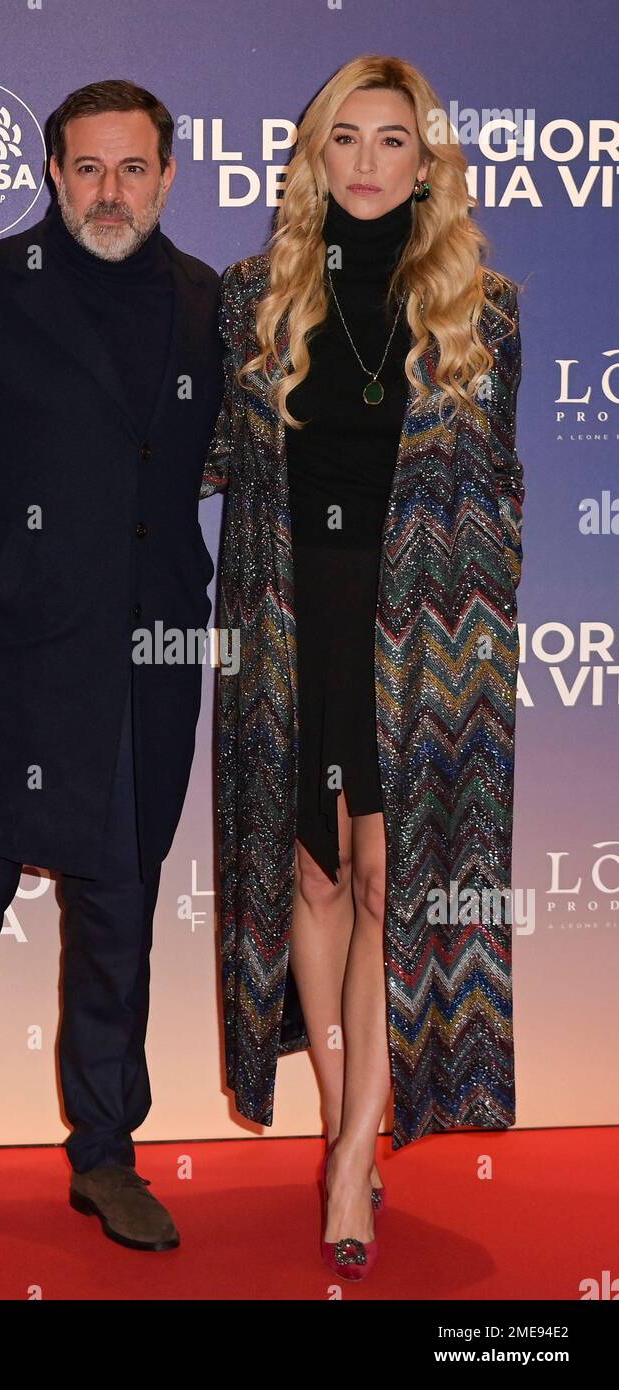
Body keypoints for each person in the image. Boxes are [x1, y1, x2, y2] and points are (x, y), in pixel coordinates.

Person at [0, 79, 223, 1259]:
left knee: (119, 931)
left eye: (132, 169)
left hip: (136, 675)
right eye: (86, 168)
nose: (109, 191)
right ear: (52, 174)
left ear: (168, 175)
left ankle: (108, 1156)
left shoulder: (205, 306)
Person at [201, 54, 524, 1279]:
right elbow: (212, 460)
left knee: (392, 886)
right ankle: (346, 1128)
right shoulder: (251, 298)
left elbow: (496, 488)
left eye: (395, 141)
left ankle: (347, 1154)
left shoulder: (478, 304)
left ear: (426, 159)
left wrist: (477, 662)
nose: (370, 163)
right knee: (317, 882)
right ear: (313, 156)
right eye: (348, 139)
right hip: (292, 621)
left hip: (427, 637)